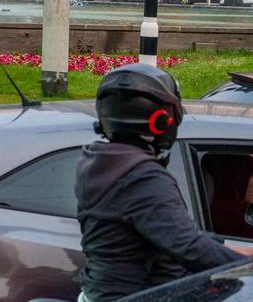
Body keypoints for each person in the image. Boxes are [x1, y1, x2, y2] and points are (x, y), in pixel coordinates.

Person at [75, 64, 250, 301]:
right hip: (138, 295)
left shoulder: (100, 162)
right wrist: (246, 270)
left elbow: (165, 230)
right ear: (162, 120)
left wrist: (231, 250)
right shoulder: (141, 176)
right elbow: (189, 248)